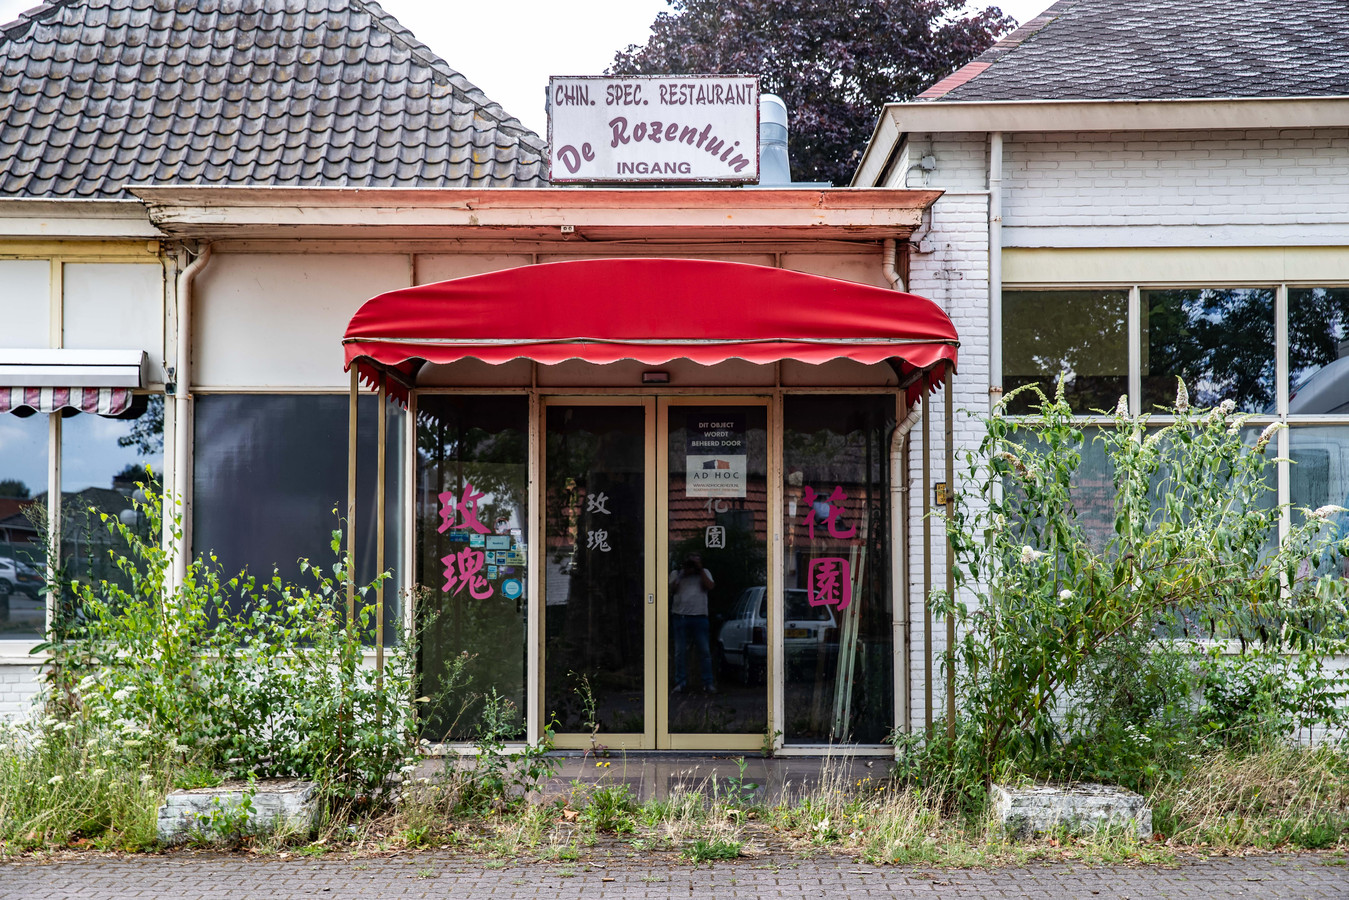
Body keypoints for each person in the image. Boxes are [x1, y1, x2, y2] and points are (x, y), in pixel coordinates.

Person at [670, 554, 716, 694]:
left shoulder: (704, 572)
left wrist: (700, 570)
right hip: (680, 616)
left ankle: (708, 683)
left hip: (700, 616)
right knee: (680, 652)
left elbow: (710, 586)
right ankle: (680, 683)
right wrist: (682, 574)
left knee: (704, 651)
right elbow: (672, 589)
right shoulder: (676, 573)